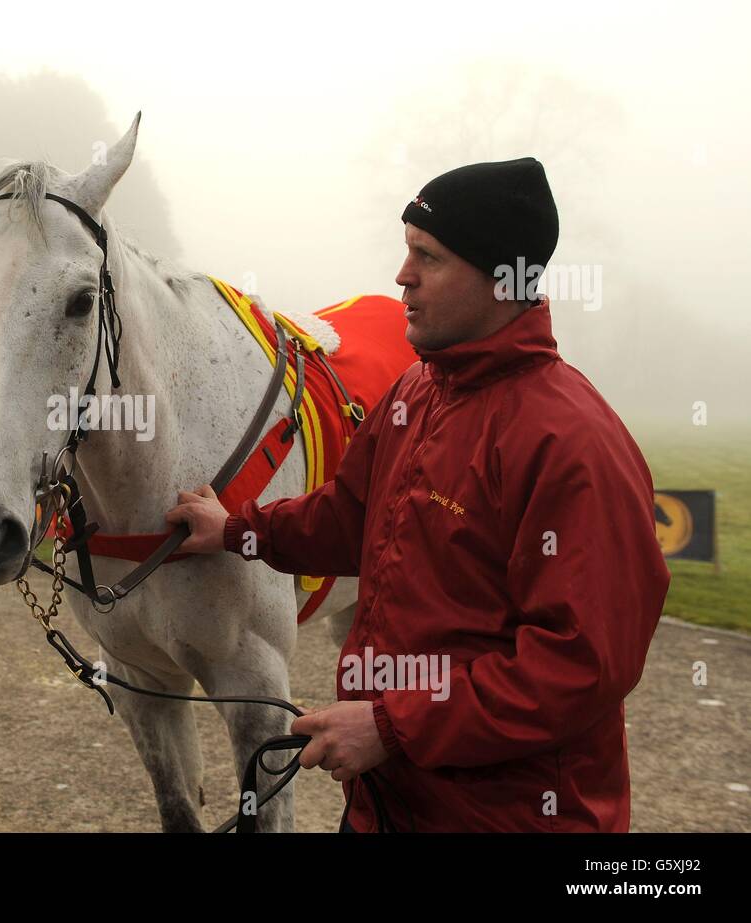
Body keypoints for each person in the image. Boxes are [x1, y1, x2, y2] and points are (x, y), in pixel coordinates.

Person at [166, 158, 669, 832]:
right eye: (406, 252)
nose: (402, 276)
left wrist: (390, 725)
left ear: (500, 278)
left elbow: (577, 665)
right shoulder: (414, 394)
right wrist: (233, 529)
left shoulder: (573, 443)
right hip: (386, 804)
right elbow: (347, 519)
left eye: (426, 256)